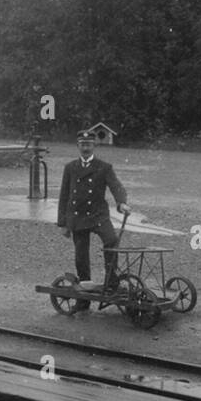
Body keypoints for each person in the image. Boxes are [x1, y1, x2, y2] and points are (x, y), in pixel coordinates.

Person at [57, 129, 130, 309]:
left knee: (111, 240)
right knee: (81, 253)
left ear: (94, 146)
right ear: (78, 146)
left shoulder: (104, 167)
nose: (85, 148)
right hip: (78, 216)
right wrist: (63, 223)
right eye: (82, 145)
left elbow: (116, 186)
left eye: (88, 145)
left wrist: (121, 204)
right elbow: (64, 195)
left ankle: (112, 282)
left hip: (98, 215)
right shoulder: (70, 168)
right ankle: (84, 293)